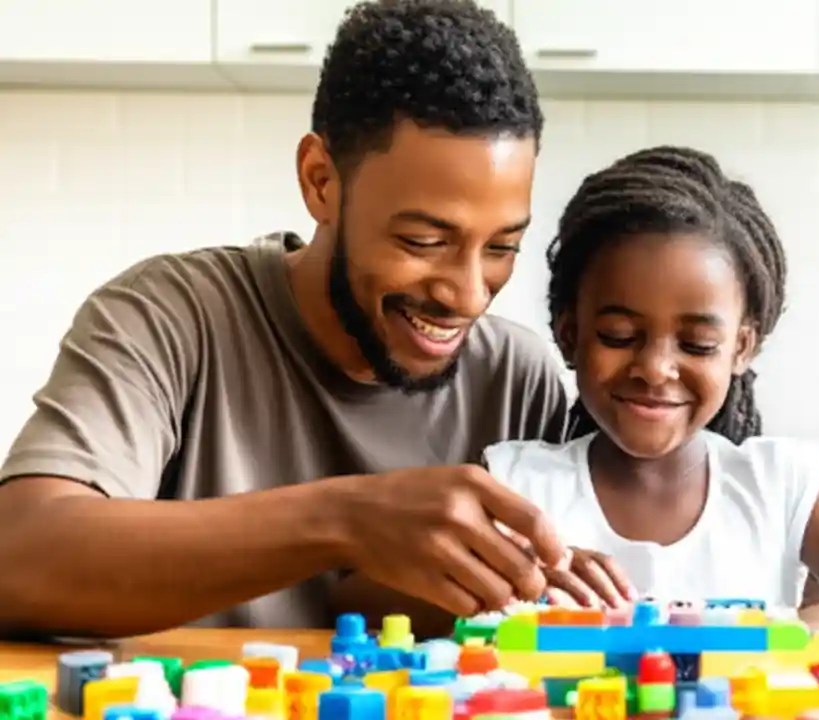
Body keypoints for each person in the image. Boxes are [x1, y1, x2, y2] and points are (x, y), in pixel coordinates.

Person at [0, 0, 574, 640]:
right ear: (321, 181)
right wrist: (348, 520)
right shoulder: (171, 318)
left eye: (501, 248)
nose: (467, 295)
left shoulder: (518, 382)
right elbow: (18, 558)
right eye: (422, 241)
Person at [484, 146, 819, 651]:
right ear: (569, 335)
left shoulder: (779, 484)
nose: (656, 369)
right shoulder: (516, 487)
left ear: (741, 347)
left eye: (697, 345)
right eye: (618, 335)